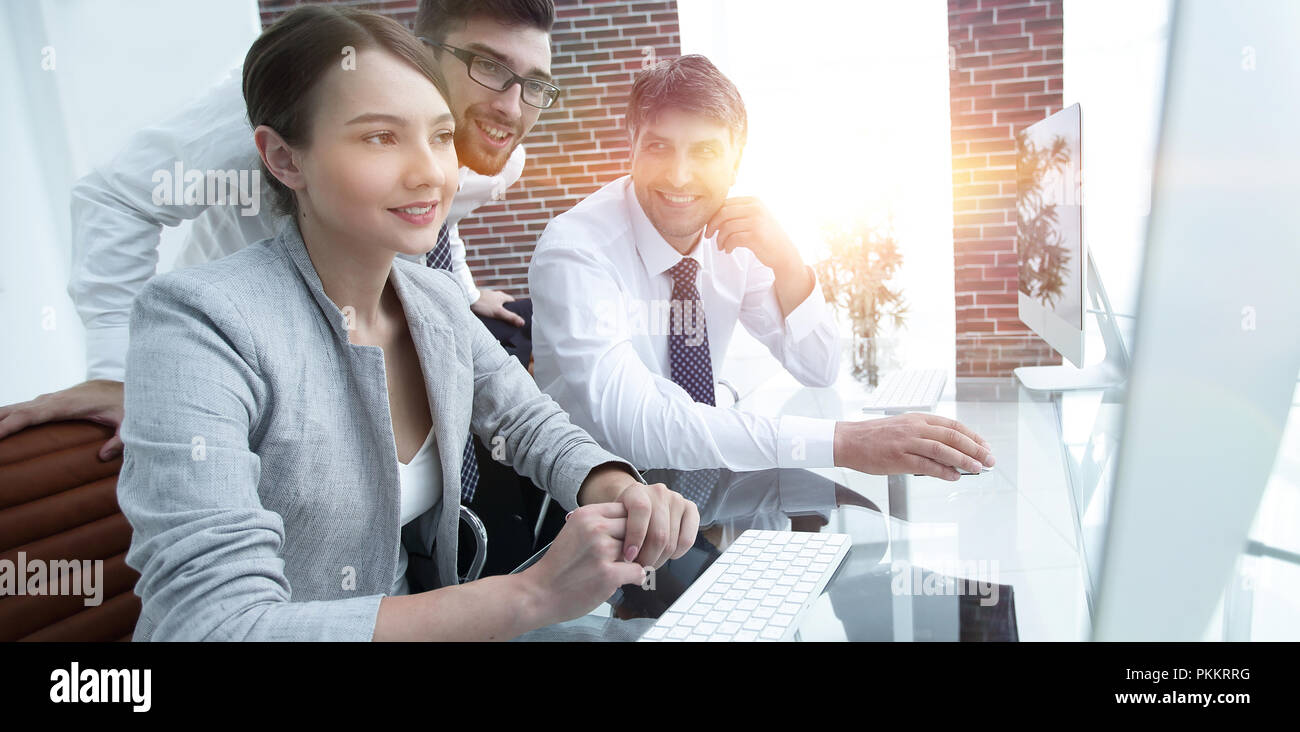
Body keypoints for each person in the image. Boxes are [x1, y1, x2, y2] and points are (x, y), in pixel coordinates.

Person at [117, 6, 696, 641]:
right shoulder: (197, 323)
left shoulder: (432, 298)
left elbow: (526, 422)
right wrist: (528, 597)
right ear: (284, 159)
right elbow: (214, 627)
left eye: (441, 137)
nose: (429, 172)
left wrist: (610, 483)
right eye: (380, 138)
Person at [0, 0, 556, 461]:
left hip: (354, 357)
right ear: (418, 52)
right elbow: (116, 198)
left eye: (535, 84)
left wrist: (462, 289)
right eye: (488, 66)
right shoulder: (301, 100)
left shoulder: (499, 161)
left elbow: (442, 219)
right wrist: (123, 375)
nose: (511, 107)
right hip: (234, 362)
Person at [530, 55, 996, 480]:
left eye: (705, 152)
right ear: (632, 146)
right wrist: (845, 442)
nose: (679, 176)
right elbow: (637, 425)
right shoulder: (576, 250)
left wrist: (788, 260)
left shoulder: (736, 237)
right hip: (594, 506)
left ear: (737, 159)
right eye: (658, 147)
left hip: (706, 487)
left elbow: (818, 366)